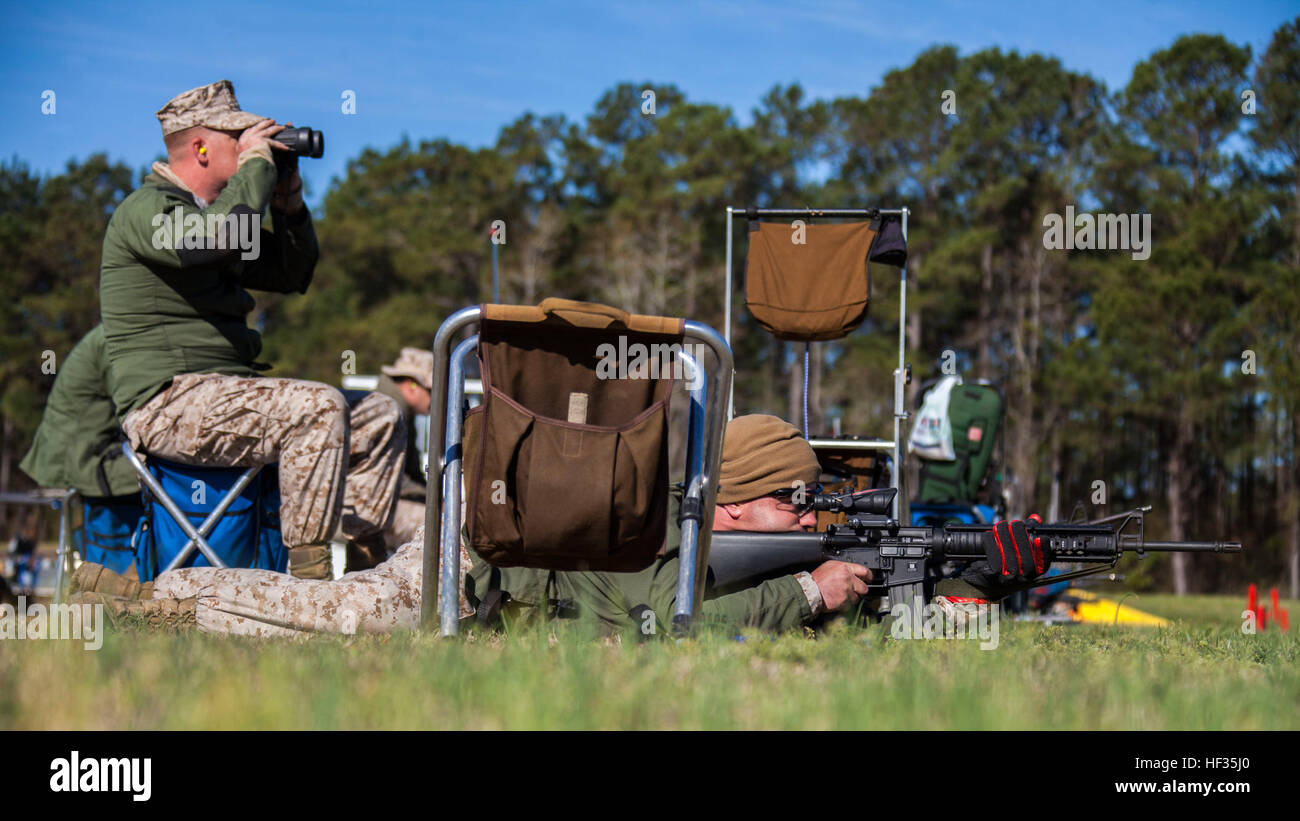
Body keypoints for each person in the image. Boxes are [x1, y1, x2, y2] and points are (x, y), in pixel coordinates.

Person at [70, 415, 874, 636]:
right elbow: (677, 621)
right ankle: (152, 601)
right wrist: (810, 588)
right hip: (472, 566)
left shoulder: (710, 526)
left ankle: (142, 593)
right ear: (733, 499)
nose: (806, 515)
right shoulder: (670, 519)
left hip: (491, 568)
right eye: (793, 499)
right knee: (341, 619)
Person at [98, 80, 405, 580]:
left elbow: (292, 274)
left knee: (380, 414)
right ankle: (310, 584)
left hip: (225, 392)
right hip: (166, 402)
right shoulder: (148, 211)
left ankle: (362, 568)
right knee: (319, 408)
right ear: (199, 147)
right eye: (236, 137)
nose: (249, 145)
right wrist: (258, 165)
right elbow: (217, 239)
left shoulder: (219, 216)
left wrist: (288, 201)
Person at [19, 325, 141, 574]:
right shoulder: (113, 340)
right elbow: (135, 405)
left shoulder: (111, 335)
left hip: (83, 455)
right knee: (169, 472)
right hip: (80, 459)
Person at [375, 347, 434, 549]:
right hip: (367, 511)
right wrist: (434, 501)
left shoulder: (400, 412)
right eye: (433, 391)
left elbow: (409, 473)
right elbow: (388, 476)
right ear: (412, 386)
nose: (438, 400)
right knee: (445, 527)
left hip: (377, 506)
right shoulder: (387, 412)